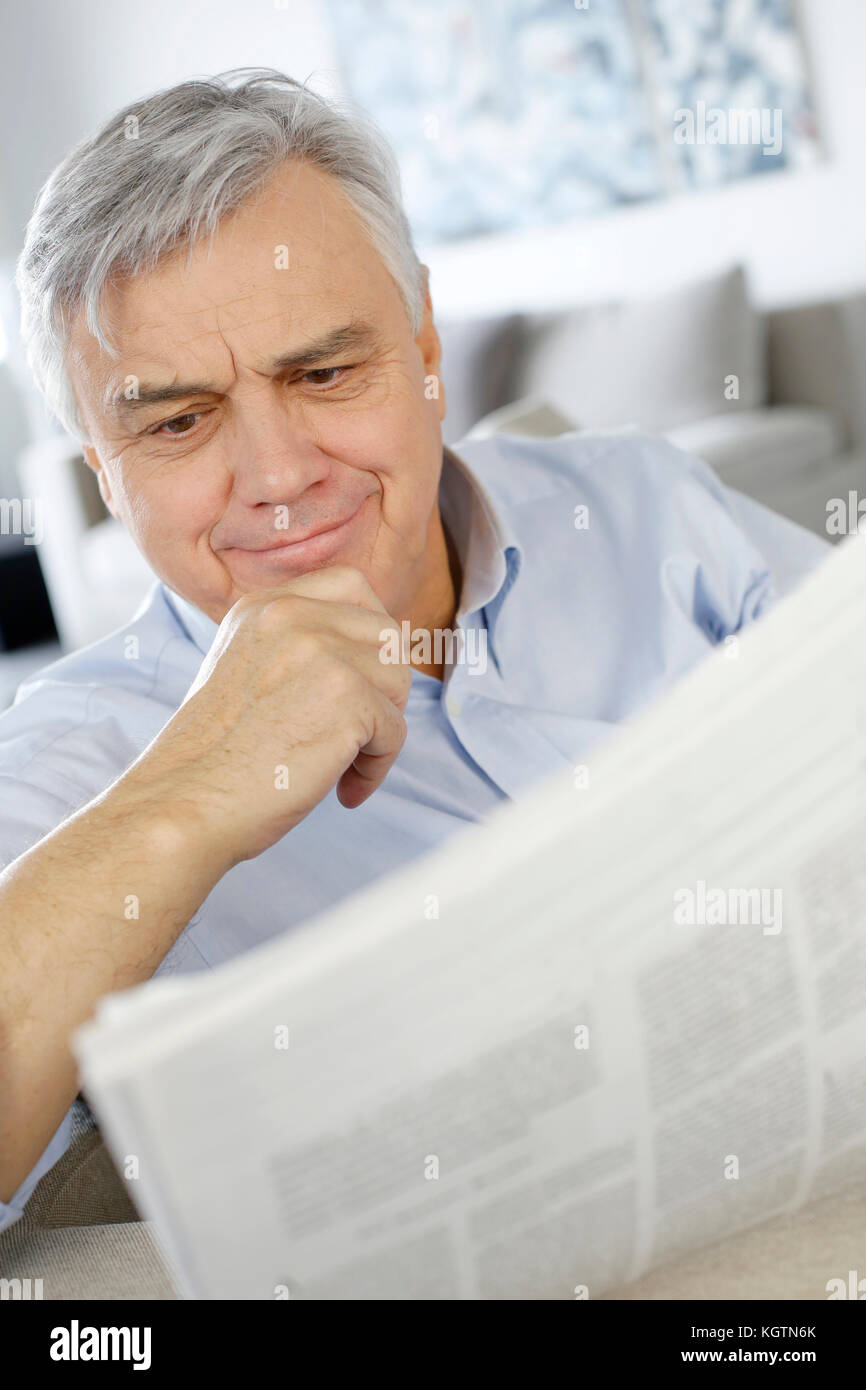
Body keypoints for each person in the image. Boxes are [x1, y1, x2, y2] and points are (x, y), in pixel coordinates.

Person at [0, 69, 829, 1227]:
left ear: (426, 338)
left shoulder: (637, 502)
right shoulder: (74, 763)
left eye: (326, 372)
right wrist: (184, 797)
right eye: (177, 421)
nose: (282, 476)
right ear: (100, 465)